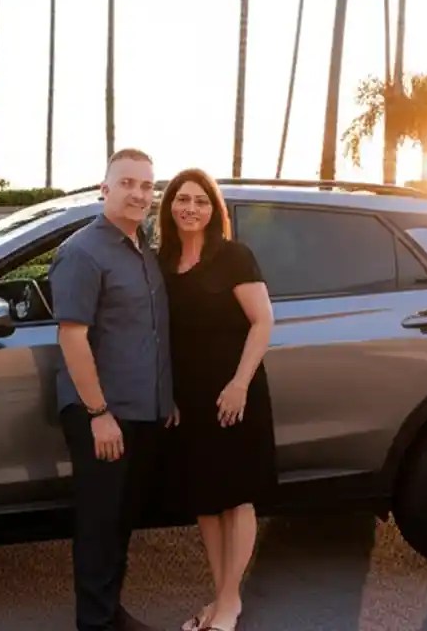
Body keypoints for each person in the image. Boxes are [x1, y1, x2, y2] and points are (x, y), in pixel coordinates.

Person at [50, 148, 176, 631]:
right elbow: (72, 336)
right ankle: (95, 623)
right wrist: (98, 413)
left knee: (122, 521)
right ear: (104, 188)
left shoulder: (142, 250)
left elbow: (149, 334)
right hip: (102, 414)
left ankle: (109, 612)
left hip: (143, 411)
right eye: (127, 183)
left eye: (146, 186)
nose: (139, 194)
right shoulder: (84, 251)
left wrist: (168, 398)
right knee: (100, 525)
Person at [156, 169, 275, 631]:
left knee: (236, 497)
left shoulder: (233, 257)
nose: (190, 208)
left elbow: (262, 322)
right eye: (182, 199)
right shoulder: (162, 262)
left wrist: (240, 383)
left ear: (214, 209)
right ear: (169, 207)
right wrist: (169, 394)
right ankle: (223, 596)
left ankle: (227, 605)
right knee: (206, 499)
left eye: (200, 200)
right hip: (189, 396)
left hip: (234, 392)